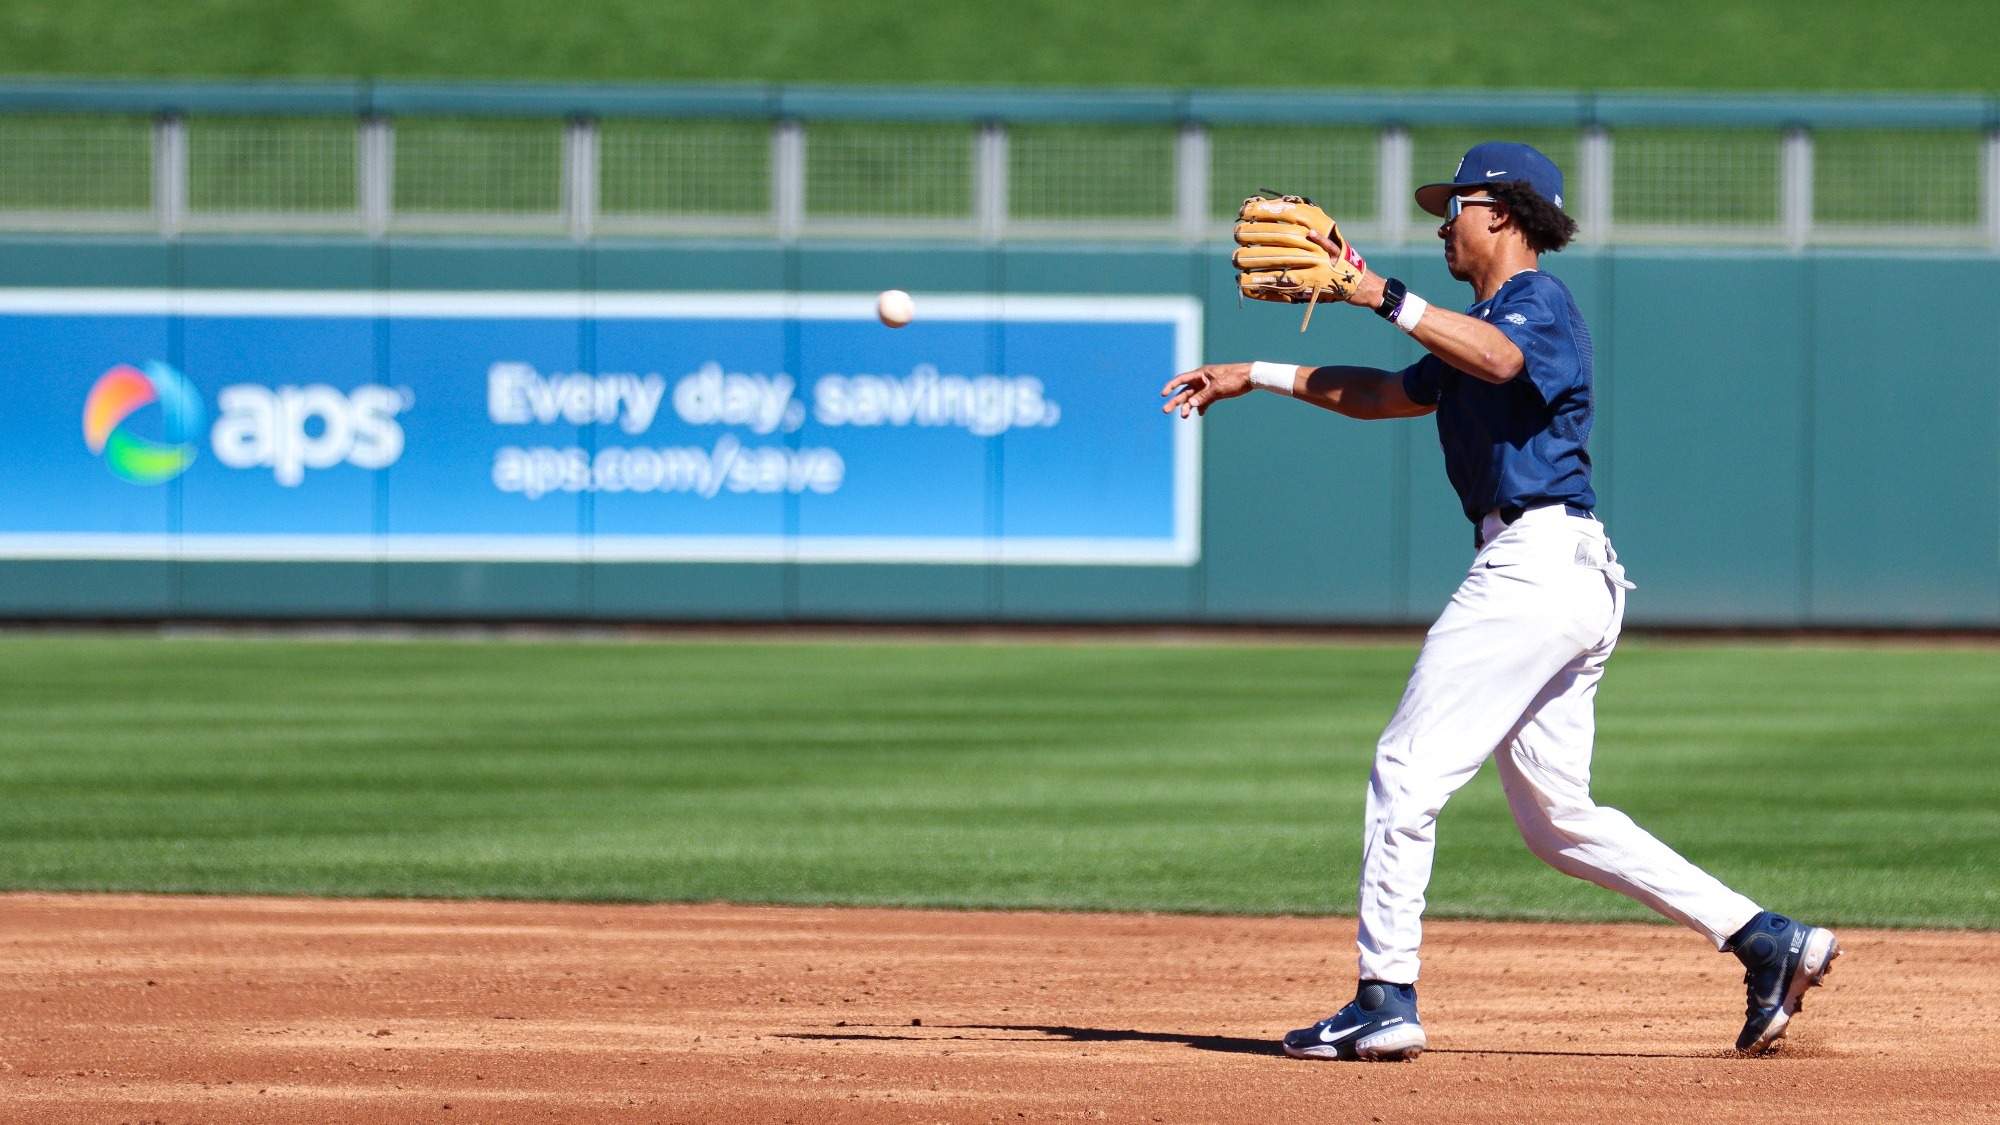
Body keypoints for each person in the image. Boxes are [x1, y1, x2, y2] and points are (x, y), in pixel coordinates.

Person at [1160, 142, 1838, 1061]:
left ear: (1507, 215)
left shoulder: (1534, 304)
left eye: (1459, 205)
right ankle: (1767, 940)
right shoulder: (1474, 320)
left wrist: (1375, 290)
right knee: (1559, 819)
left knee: (1406, 768)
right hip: (1562, 571)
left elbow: (1499, 355)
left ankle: (1383, 994)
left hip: (1536, 562)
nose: (1445, 222)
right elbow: (1391, 393)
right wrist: (1259, 371)